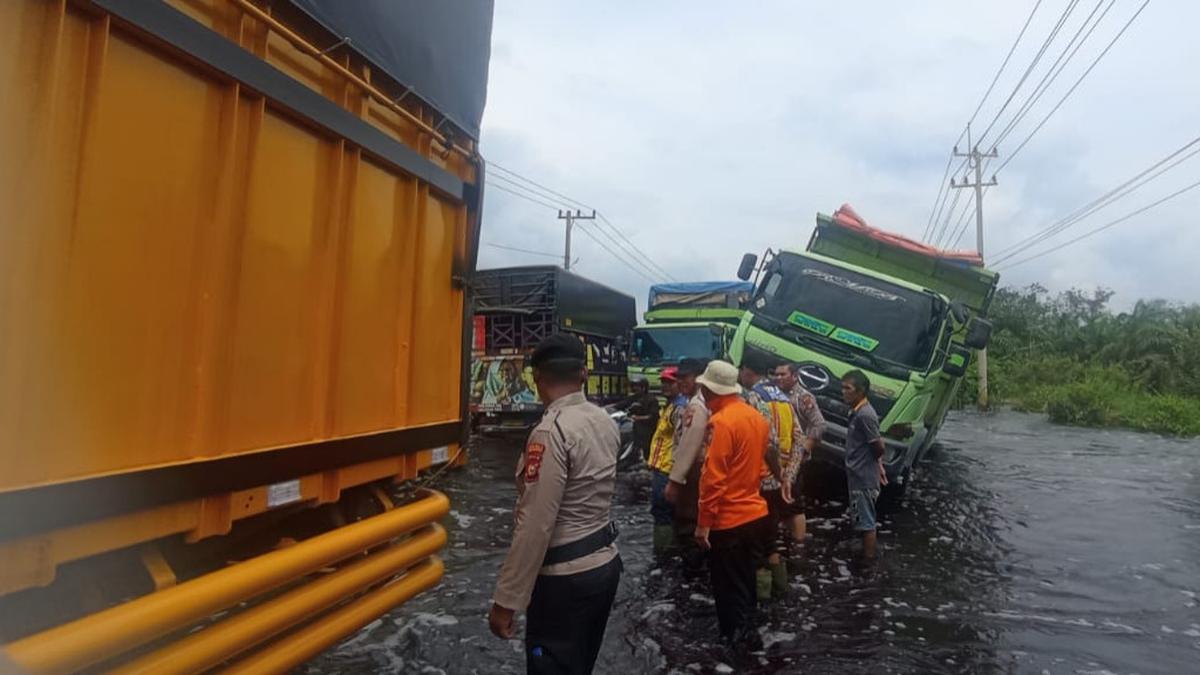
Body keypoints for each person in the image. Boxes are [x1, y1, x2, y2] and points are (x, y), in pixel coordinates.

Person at [489, 333, 623, 674]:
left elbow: (536, 524)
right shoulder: (604, 421)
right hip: (604, 566)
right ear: (583, 375)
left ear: (537, 379)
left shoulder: (551, 432)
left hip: (565, 581)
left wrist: (507, 600)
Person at [691, 360, 773, 651]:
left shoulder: (721, 423)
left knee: (727, 588)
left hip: (728, 520)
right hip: (755, 514)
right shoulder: (756, 418)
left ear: (707, 390)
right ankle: (751, 637)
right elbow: (761, 468)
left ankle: (735, 647)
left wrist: (703, 524)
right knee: (745, 582)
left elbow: (713, 478)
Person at [738, 352, 797, 598]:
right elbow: (799, 440)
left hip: (760, 480)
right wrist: (787, 477)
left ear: (747, 371)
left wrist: (777, 474)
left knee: (756, 544)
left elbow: (768, 444)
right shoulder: (785, 398)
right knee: (772, 538)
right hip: (778, 482)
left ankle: (762, 600)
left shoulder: (752, 398)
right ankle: (782, 592)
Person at [770, 362, 827, 545]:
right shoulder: (775, 395)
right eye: (776, 374)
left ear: (794, 376)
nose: (778, 378)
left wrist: (804, 448)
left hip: (795, 456)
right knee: (781, 501)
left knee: (794, 503)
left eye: (783, 375)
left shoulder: (803, 397)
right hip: (780, 456)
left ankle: (799, 542)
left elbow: (819, 425)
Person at [841, 369, 887, 561]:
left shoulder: (865, 415)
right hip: (857, 474)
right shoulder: (857, 411)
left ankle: (868, 563)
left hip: (863, 477)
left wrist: (877, 466)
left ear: (860, 391)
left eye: (847, 388)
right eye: (842, 387)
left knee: (867, 522)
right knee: (860, 517)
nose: (843, 391)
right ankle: (863, 553)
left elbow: (878, 446)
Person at [664, 358, 709, 552]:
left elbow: (689, 444)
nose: (680, 381)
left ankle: (693, 573)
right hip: (703, 470)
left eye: (685, 377)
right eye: (678, 377)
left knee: (687, 524)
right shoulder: (705, 400)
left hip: (693, 472)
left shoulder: (696, 406)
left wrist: (674, 480)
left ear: (698, 378)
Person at [646, 367, 685, 554]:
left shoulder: (679, 408)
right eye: (663, 382)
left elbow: (682, 442)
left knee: (662, 511)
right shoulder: (669, 405)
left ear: (680, 383)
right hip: (661, 466)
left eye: (670, 382)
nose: (665, 386)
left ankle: (664, 553)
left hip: (668, 469)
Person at [615, 377, 659, 463]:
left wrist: (638, 418)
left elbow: (653, 416)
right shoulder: (632, 398)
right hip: (631, 427)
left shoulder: (652, 400)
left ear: (644, 387)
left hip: (646, 430)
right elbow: (619, 405)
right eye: (633, 386)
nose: (634, 388)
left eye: (637, 386)